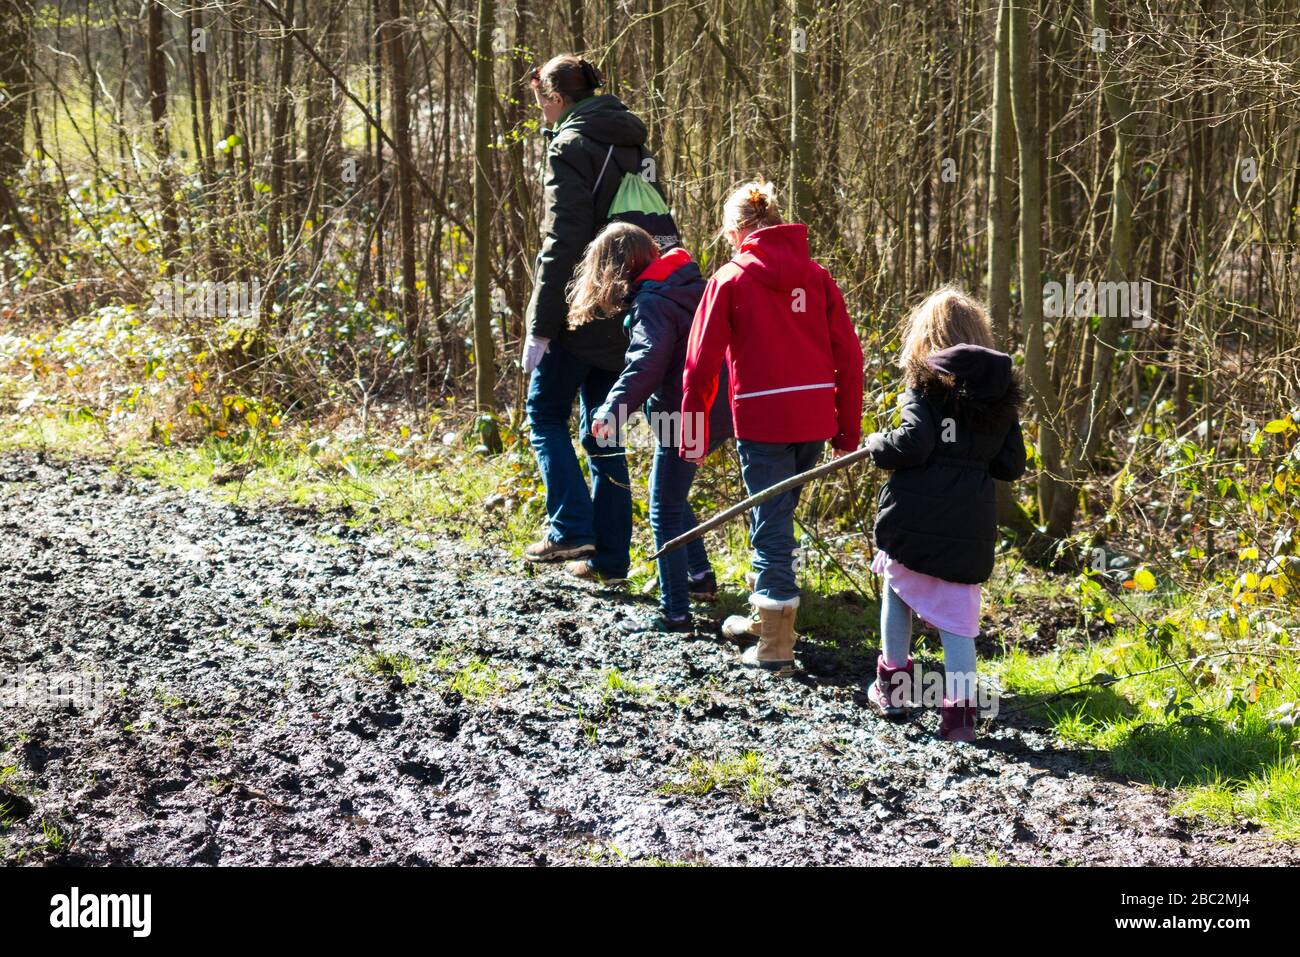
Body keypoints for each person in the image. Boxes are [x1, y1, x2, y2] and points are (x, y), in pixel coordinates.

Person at [681, 181, 864, 672]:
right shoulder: (817, 277)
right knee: (775, 519)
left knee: (771, 527)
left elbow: (700, 364)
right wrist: (847, 431)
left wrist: (693, 433)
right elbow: (849, 355)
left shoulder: (730, 279)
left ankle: (776, 646)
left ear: (737, 230)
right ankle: (768, 617)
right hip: (812, 418)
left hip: (763, 419)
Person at [522, 54, 661, 584]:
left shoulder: (569, 145)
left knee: (545, 413)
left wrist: (542, 325)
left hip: (583, 307)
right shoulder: (632, 143)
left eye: (542, 100)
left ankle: (569, 527)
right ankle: (610, 560)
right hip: (632, 304)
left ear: (557, 98)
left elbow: (563, 242)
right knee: (606, 431)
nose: (542, 111)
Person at [864, 287, 1026, 742]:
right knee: (958, 621)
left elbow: (913, 445)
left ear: (926, 338)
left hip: (913, 518)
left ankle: (893, 688)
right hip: (968, 526)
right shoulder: (999, 400)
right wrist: (975, 455)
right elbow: (1012, 465)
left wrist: (878, 443)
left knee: (897, 590)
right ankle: (960, 718)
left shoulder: (923, 386)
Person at [572, 223, 732, 632]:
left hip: (686, 412)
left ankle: (674, 610)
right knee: (673, 494)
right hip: (714, 408)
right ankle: (698, 577)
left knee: (663, 507)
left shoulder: (654, 301)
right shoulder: (686, 285)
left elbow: (648, 362)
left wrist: (611, 410)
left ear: (614, 269)